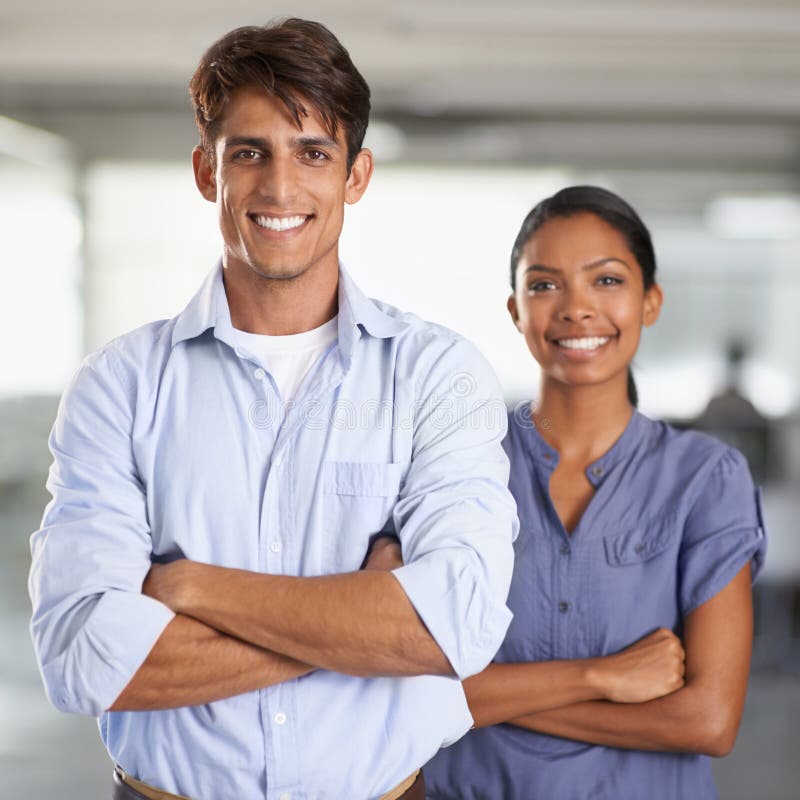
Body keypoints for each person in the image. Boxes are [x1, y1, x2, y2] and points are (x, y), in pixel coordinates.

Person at [28, 19, 519, 800]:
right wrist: (360, 623)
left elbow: (454, 627)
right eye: (249, 152)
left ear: (356, 175)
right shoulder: (119, 386)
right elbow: (85, 660)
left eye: (313, 153)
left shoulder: (437, 375)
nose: (280, 188)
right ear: (207, 170)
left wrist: (193, 588)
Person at [422, 186, 767, 799]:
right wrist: (600, 677)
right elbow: (399, 687)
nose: (577, 309)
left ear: (650, 301)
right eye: (545, 285)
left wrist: (480, 700)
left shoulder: (706, 479)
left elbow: (708, 721)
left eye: (606, 281)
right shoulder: (456, 460)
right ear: (515, 309)